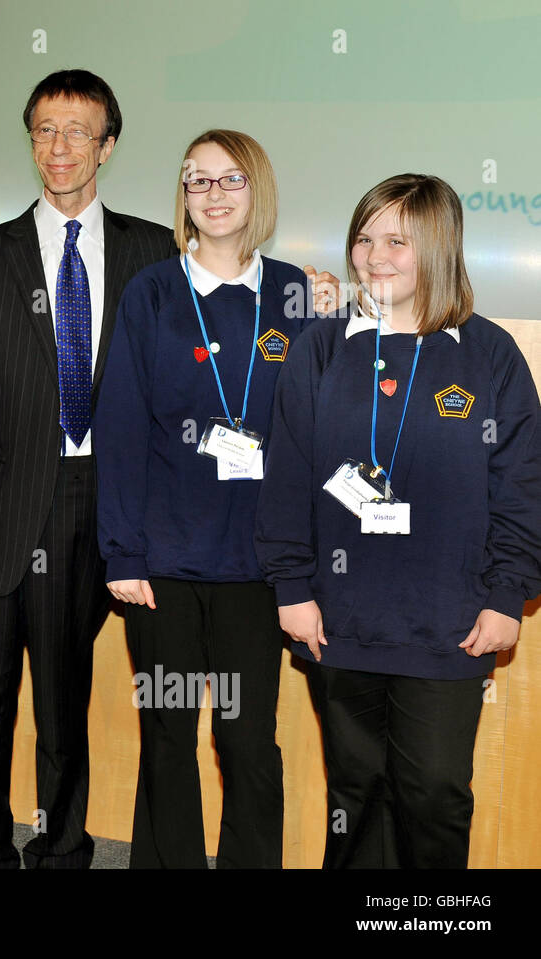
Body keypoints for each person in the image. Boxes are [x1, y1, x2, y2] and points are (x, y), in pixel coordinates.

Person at [255, 173, 541, 868]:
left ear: (439, 247)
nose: (373, 255)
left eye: (396, 241)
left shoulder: (490, 355)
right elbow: (287, 476)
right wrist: (291, 587)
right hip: (341, 620)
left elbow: (522, 487)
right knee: (355, 790)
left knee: (436, 791)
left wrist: (509, 595)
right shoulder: (320, 349)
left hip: (451, 625)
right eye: (364, 238)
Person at [0, 68, 176, 869]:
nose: (60, 146)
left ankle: (66, 847)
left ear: (107, 146)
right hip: (0, 506)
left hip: (97, 505)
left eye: (79, 131)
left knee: (63, 702)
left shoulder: (153, 251)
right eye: (45, 128)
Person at [95, 129, 313, 868]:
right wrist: (122, 552)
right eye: (198, 181)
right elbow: (120, 425)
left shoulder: (296, 295)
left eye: (230, 180)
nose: (213, 195)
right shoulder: (152, 292)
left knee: (247, 739)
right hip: (164, 568)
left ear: (259, 191)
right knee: (167, 735)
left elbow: (321, 433)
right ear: (183, 198)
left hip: (260, 567)